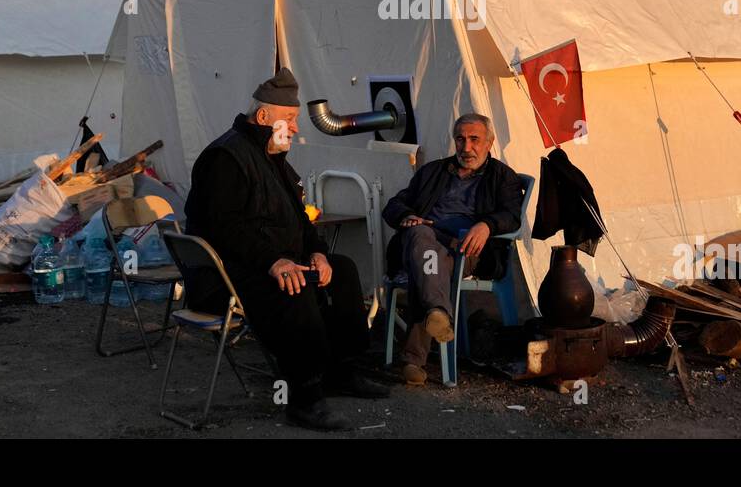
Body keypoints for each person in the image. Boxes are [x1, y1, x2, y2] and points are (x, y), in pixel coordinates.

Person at [184, 67, 389, 431]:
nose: (295, 127)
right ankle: (305, 396)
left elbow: (300, 219)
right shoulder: (225, 157)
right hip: (226, 276)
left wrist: (317, 252)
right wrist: (274, 261)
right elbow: (224, 228)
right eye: (290, 119)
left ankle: (341, 370)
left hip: (268, 263)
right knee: (291, 288)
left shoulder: (272, 157)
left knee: (341, 270)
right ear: (264, 117)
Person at [381, 114, 523, 385]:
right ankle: (437, 313)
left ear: (490, 142)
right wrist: (407, 217)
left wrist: (486, 224)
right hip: (427, 244)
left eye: (474, 140)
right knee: (423, 240)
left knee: (426, 266)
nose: (466, 147)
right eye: (460, 139)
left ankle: (415, 358)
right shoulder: (433, 172)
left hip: (465, 249)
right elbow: (395, 204)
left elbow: (512, 215)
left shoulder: (503, 177)